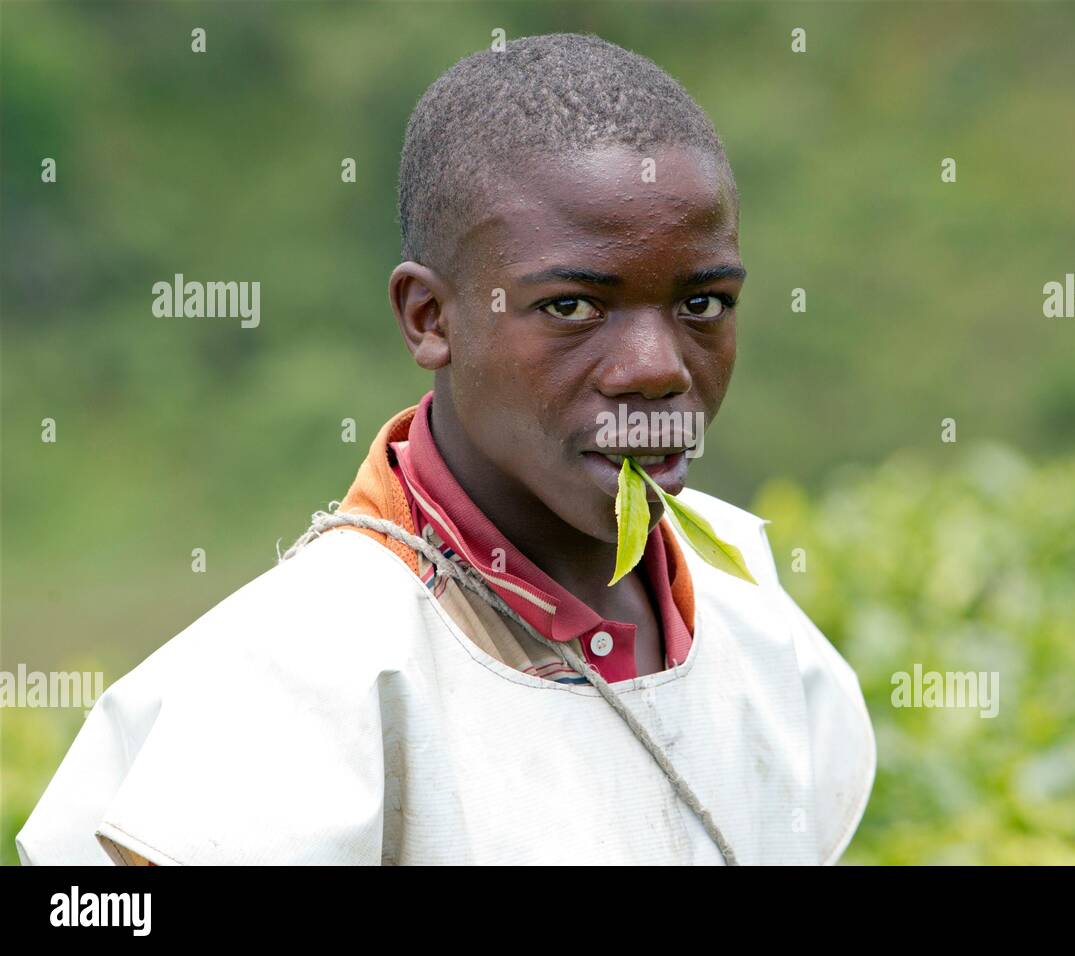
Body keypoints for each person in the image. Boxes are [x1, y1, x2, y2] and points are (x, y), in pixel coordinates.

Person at [16, 31, 875, 866]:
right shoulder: (307, 677)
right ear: (430, 319)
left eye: (704, 304)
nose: (656, 370)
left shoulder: (756, 624)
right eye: (573, 307)